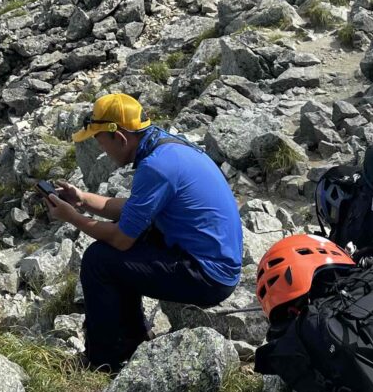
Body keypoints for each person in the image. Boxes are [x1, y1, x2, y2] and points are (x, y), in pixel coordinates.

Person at [42, 94, 242, 371]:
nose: (103, 152)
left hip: (208, 276)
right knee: (128, 247)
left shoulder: (156, 167)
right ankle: (132, 340)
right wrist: (82, 199)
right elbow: (137, 209)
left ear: (121, 138)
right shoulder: (166, 147)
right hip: (211, 260)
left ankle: (102, 360)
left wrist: (72, 217)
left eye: (101, 143)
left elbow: (121, 240)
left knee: (100, 260)